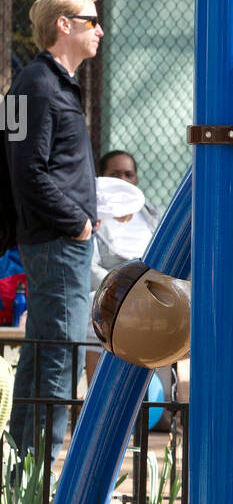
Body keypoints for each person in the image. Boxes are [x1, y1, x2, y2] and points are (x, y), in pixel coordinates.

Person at [5, 0, 102, 469]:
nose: (99, 30)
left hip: (58, 241)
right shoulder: (34, 84)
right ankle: (41, 488)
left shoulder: (42, 83)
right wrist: (77, 221)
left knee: (43, 356)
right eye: (91, 21)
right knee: (60, 358)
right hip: (58, 243)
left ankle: (19, 479)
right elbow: (23, 169)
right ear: (64, 25)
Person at [85, 149, 161, 385]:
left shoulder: (151, 215)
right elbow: (89, 268)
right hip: (108, 291)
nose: (123, 180)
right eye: (115, 174)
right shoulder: (93, 215)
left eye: (129, 174)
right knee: (91, 307)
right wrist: (122, 289)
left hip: (151, 291)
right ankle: (98, 396)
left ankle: (159, 407)